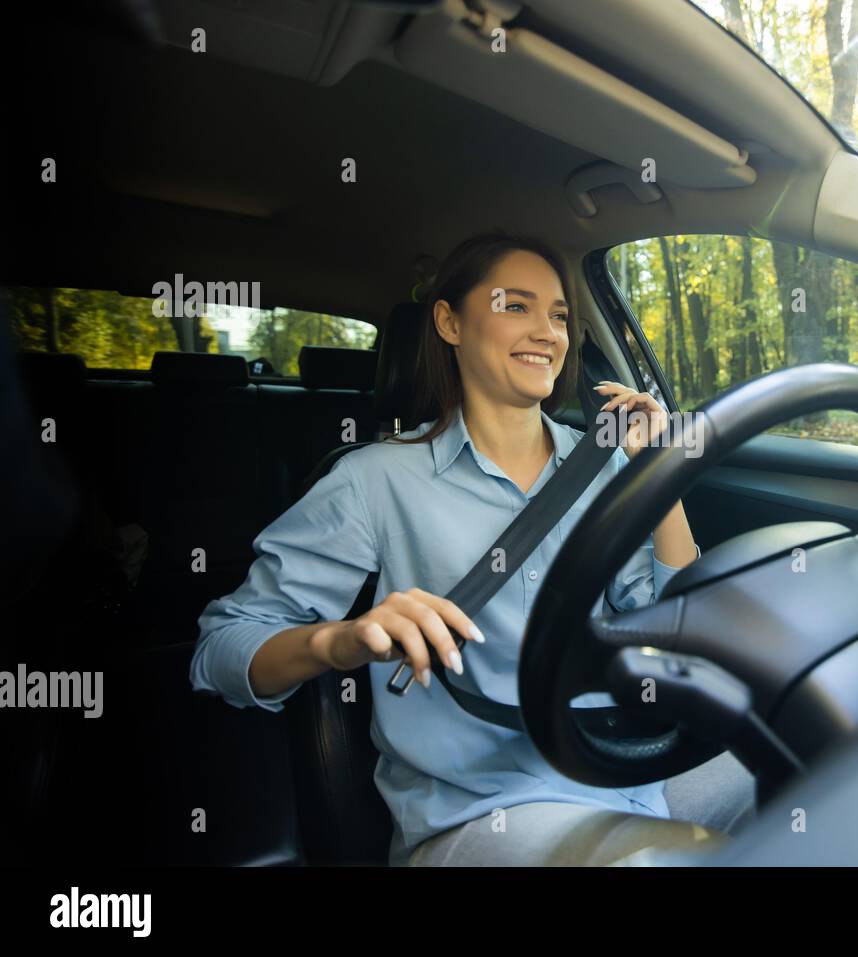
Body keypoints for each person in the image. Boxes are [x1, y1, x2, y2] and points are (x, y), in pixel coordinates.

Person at [189, 233, 756, 866]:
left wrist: (660, 475)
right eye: (515, 305)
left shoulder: (602, 464)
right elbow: (221, 647)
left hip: (626, 767)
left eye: (560, 315)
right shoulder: (373, 480)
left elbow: (671, 628)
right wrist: (340, 639)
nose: (548, 331)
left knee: (818, 770)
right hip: (484, 812)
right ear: (450, 322)